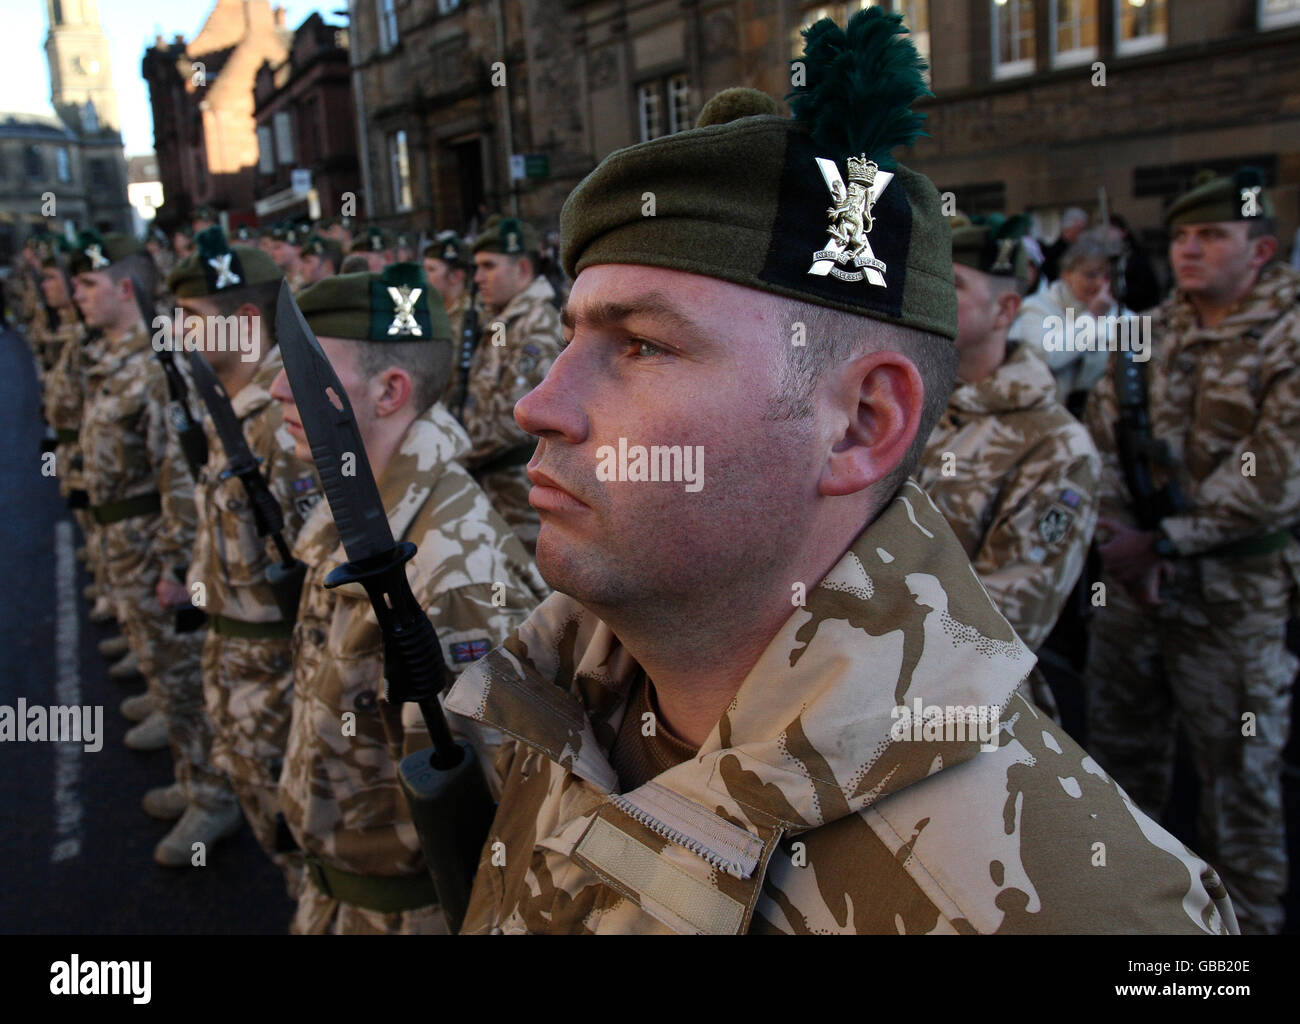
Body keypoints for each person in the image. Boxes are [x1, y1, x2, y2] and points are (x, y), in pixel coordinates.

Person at [442, 8, 1235, 935]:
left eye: (645, 346)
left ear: (861, 423)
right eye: (574, 334)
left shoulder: (1071, 909)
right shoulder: (572, 678)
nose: (538, 405)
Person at [268, 264, 548, 934]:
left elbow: (506, 816)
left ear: (389, 391)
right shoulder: (370, 507)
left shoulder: (450, 575)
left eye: (305, 373)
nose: (279, 389)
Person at [1082, 168, 1300, 935]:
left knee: (1239, 781)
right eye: (1180, 236)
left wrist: (1164, 542)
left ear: (1262, 248)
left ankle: (1247, 932)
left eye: (1212, 235)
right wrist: (1119, 543)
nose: (1190, 250)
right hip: (1136, 590)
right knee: (1116, 768)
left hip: (1237, 597)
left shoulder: (1289, 333)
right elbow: (1099, 448)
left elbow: (1279, 475)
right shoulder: (1145, 331)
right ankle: (1137, 926)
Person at [71, 231, 242, 865]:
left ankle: (214, 794)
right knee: (167, 671)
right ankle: (194, 773)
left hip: (151, 543)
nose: (77, 296)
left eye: (89, 284)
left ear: (123, 287)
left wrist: (175, 565)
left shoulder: (156, 365)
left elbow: (176, 471)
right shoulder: (117, 354)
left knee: (184, 675)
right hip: (125, 541)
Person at [167, 226, 323, 891]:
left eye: (193, 321)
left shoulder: (284, 425)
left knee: (304, 847)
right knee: (272, 828)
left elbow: (320, 575)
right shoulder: (229, 403)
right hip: (235, 659)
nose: (178, 336)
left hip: (278, 675)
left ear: (247, 322)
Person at [916, 215, 1101, 721]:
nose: (927, 294)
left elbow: (1002, 625)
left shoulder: (1055, 446)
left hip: (958, 715)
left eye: (951, 284)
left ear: (1006, 309)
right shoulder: (901, 405)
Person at [463, 215, 564, 553]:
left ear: (522, 268)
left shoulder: (538, 325)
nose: (477, 278)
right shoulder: (506, 318)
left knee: (530, 587)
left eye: (488, 266)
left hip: (519, 492)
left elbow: (516, 418)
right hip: (495, 487)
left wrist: (455, 452)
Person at [1011, 231, 1137, 415]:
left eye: (1108, 277)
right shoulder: (1036, 308)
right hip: (1048, 420)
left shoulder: (1123, 317)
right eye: (1090, 275)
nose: (1101, 285)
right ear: (1067, 274)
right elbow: (1048, 356)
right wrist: (1092, 317)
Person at [1040, 207, 1088, 284]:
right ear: (1068, 228)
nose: (1081, 233)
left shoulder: (1081, 248)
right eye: (1079, 229)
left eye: (1083, 229)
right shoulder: (1054, 252)